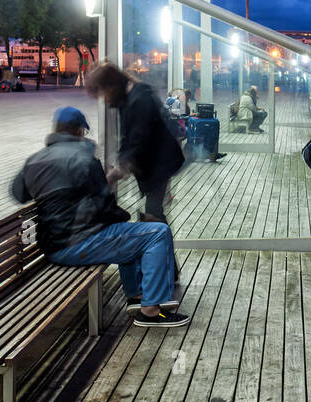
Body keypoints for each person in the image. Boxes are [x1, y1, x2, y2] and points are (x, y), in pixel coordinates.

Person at [10, 106, 188, 328]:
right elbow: (105, 206)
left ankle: (137, 296)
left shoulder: (34, 160)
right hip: (77, 243)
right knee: (157, 233)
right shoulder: (84, 159)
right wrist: (120, 207)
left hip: (53, 245)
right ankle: (151, 311)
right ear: (79, 131)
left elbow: (18, 194)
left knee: (131, 236)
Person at [85, 60, 189, 221]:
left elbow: (138, 140)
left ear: (111, 86)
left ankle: (159, 237)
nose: (104, 99)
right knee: (152, 212)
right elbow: (128, 138)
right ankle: (157, 233)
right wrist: (120, 162)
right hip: (153, 165)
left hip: (160, 164)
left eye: (102, 93)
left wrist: (117, 170)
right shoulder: (128, 98)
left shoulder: (139, 99)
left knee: (152, 214)